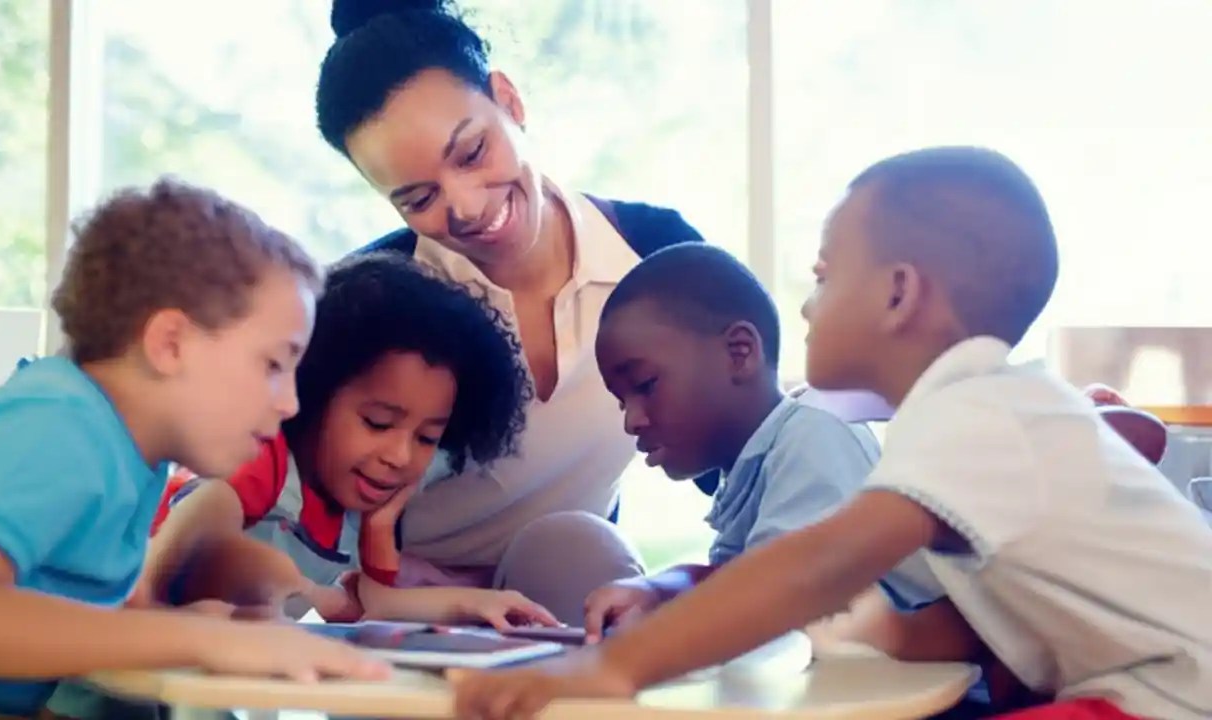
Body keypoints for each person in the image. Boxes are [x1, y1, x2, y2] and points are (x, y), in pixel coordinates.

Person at [449, 146, 1212, 720]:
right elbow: (945, 608)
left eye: (821, 274)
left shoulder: (971, 411)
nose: (808, 306)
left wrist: (615, 671)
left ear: (898, 294)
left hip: (1172, 689)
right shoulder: (974, 414)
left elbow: (818, 565)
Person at [315, 0, 717, 621]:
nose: (467, 207)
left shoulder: (658, 256)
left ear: (508, 100)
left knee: (570, 547)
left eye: (472, 153)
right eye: (418, 198)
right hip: (417, 612)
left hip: (569, 592)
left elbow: (741, 450)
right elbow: (284, 505)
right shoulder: (367, 304)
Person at [0, 178, 386, 718]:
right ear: (170, 344)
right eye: (273, 365)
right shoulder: (59, 427)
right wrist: (199, 640)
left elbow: (88, 622)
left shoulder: (129, 456)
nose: (290, 403)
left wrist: (197, 624)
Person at [141, 252, 556, 631]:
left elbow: (366, 605)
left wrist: (477, 604)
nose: (400, 455)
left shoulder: (351, 508)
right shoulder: (261, 458)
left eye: (427, 437)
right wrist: (296, 587)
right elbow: (184, 549)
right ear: (312, 391)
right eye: (377, 423)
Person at [582, 243, 880, 642]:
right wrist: (657, 590)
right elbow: (739, 580)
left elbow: (779, 599)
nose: (632, 421)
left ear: (739, 353)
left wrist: (649, 641)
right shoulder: (752, 467)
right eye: (622, 401)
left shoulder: (818, 429)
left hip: (924, 700)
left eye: (645, 385)